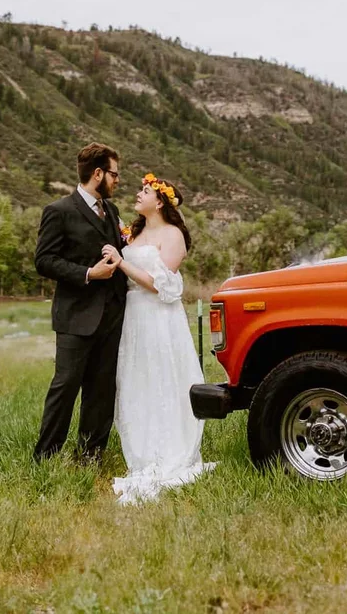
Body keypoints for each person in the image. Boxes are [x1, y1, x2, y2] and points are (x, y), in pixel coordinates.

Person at [102, 173, 215, 504]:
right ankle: (140, 450)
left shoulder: (173, 235)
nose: (138, 194)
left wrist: (121, 263)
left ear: (161, 201)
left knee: (163, 380)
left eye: (145, 191)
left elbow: (161, 284)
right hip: (133, 318)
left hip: (159, 319)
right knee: (136, 380)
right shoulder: (133, 234)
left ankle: (169, 450)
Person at [32, 142, 127, 461]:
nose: (117, 181)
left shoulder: (112, 211)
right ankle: (45, 456)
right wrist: (88, 273)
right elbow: (44, 260)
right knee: (65, 387)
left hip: (112, 316)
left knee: (102, 391)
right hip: (75, 318)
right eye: (114, 174)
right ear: (97, 173)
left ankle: (90, 455)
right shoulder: (59, 211)